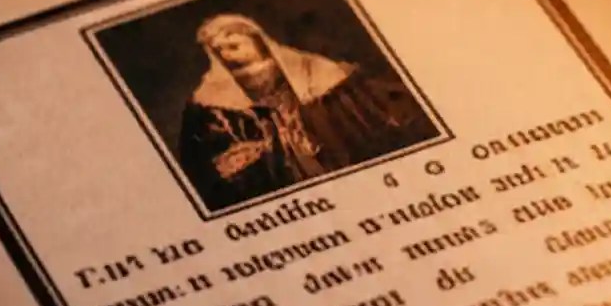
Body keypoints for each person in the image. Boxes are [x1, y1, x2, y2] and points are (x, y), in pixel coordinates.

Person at [177, 14, 431, 209]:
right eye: (219, 51)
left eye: (234, 45)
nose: (227, 55)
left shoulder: (310, 67)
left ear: (257, 41)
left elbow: (350, 104)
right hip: (276, 160)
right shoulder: (211, 95)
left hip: (322, 139)